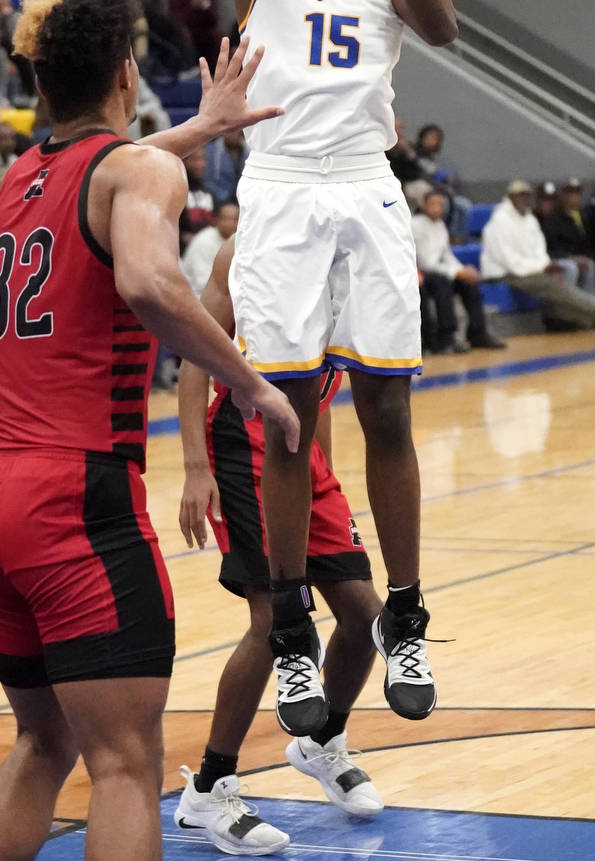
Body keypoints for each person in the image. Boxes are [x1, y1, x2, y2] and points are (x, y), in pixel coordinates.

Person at [0, 0, 297, 861]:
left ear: (41, 86)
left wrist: (202, 129)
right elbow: (147, 279)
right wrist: (250, 385)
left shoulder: (22, 178)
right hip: (74, 494)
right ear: (125, 73)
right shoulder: (137, 172)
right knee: (124, 761)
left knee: (43, 741)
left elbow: (121, 166)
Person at [173, 0, 459, 733]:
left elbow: (442, 28)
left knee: (385, 408)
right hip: (284, 184)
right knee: (287, 414)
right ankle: (290, 630)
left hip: (365, 184)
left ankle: (409, 613)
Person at [175, 237, 384, 854]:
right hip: (241, 445)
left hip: (305, 451)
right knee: (275, 622)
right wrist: (193, 465)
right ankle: (208, 790)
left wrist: (329, 475)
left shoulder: (354, 250)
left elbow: (328, 388)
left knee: (365, 614)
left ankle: (322, 742)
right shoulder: (242, 251)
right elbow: (193, 359)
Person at [481, 180, 595, 329]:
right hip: (504, 273)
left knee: (560, 278)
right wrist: (542, 268)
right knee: (552, 285)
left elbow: (539, 249)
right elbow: (508, 260)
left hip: (527, 270)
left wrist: (544, 265)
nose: (523, 199)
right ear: (510, 197)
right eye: (519, 196)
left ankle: (587, 318)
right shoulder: (499, 221)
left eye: (526, 196)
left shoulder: (529, 219)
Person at [412, 190, 504, 354]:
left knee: (468, 283)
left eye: (440, 204)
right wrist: (456, 272)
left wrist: (463, 270)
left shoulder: (440, 226)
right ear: (424, 205)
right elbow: (426, 262)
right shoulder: (416, 225)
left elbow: (446, 254)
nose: (437, 208)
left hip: (439, 271)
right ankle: (446, 336)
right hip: (420, 274)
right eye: (433, 204)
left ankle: (477, 331)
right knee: (443, 283)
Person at [536, 179, 595, 294]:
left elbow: (580, 244)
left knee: (589, 265)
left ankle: (588, 307)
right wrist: (569, 258)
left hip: (561, 258)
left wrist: (589, 258)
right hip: (545, 260)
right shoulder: (533, 220)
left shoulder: (563, 220)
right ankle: (569, 306)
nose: (548, 204)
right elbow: (544, 250)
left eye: (551, 200)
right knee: (571, 268)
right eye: (544, 200)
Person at [181, 198, 239, 297]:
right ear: (216, 220)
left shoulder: (238, 241)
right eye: (225, 219)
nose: (230, 224)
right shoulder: (204, 241)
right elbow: (203, 283)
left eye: (235, 220)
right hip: (194, 295)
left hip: (222, 294)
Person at [170, 0, 222, 72]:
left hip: (204, 31)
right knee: (185, 38)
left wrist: (205, 6)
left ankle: (214, 70)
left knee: (217, 37)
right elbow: (178, 19)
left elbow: (213, 20)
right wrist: (192, 7)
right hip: (187, 31)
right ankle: (191, 69)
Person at [141, 0, 192, 74]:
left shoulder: (164, 0)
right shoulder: (146, 0)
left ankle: (185, 69)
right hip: (152, 36)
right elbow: (156, 21)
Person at [203, 129, 246, 204]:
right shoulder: (210, 152)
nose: (234, 134)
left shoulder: (249, 153)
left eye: (237, 131)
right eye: (231, 131)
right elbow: (208, 182)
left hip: (243, 199)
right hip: (217, 199)